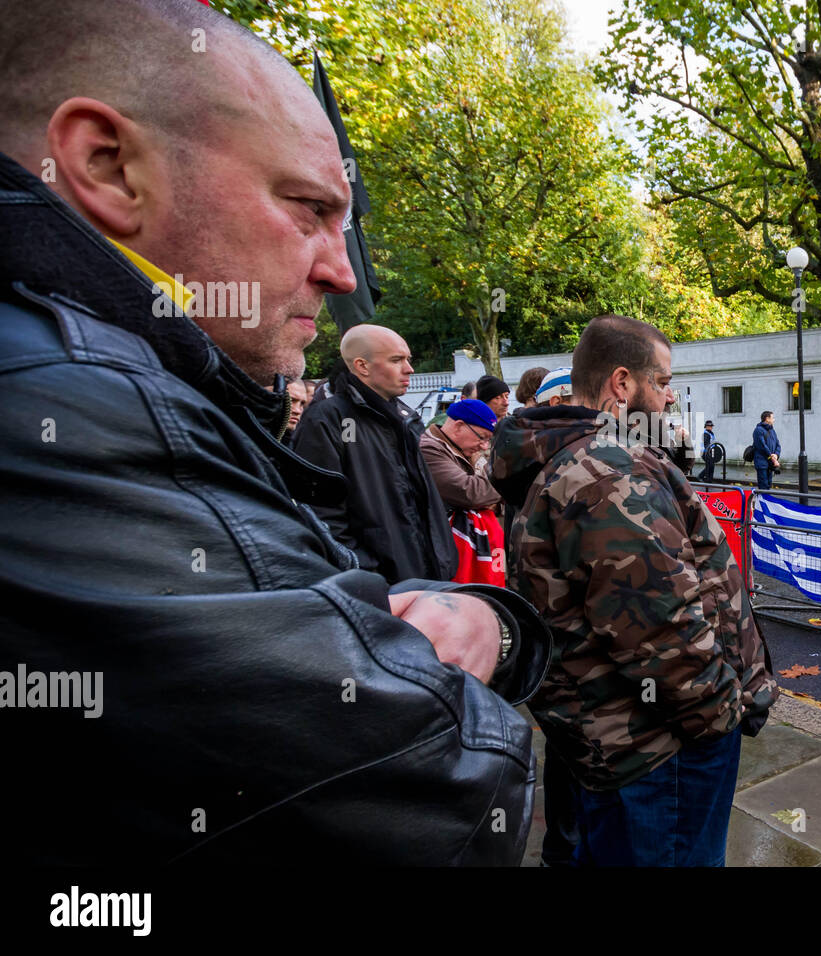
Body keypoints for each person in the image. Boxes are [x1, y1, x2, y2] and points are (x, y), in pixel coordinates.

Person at [0, 0, 546, 864]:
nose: (339, 268)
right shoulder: (83, 410)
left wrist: (437, 621)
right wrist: (477, 634)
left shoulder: (120, 383)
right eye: (307, 209)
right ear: (108, 166)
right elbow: (442, 794)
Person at [490, 314, 777, 867]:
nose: (670, 399)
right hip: (659, 750)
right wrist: (721, 717)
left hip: (620, 743)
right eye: (663, 382)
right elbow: (659, 629)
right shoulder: (606, 470)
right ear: (621, 384)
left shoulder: (582, 458)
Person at [293, 325, 459, 583]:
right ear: (362, 366)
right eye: (396, 360)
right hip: (381, 589)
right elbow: (321, 515)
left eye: (408, 359)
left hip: (425, 579)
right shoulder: (326, 420)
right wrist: (368, 575)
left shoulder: (403, 419)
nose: (409, 369)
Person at [420, 399, 506, 586]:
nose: (484, 446)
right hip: (444, 557)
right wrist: (506, 481)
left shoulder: (459, 449)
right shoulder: (428, 449)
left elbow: (484, 494)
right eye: (481, 437)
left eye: (488, 440)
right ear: (459, 426)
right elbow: (470, 493)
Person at [753, 411, 781, 490]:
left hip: (770, 463)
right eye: (772, 418)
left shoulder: (772, 430)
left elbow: (778, 444)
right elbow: (762, 446)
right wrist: (773, 458)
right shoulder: (758, 430)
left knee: (768, 485)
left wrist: (776, 455)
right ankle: (762, 501)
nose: (774, 420)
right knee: (763, 486)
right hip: (762, 463)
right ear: (767, 419)